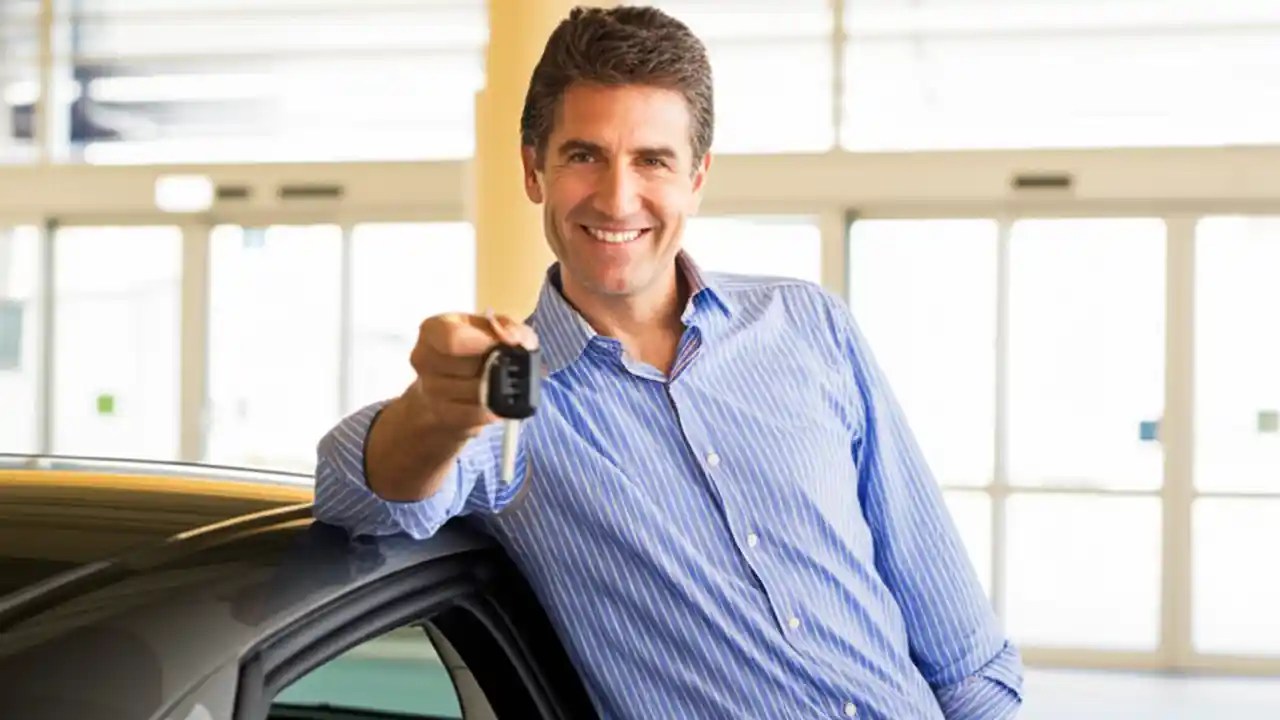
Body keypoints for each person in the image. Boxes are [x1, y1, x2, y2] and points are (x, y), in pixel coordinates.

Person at [314, 5, 1023, 719]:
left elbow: (969, 662)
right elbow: (359, 498)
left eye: (652, 160)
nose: (617, 198)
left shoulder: (809, 327)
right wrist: (434, 413)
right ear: (534, 170)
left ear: (697, 177)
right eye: (584, 156)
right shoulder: (509, 402)